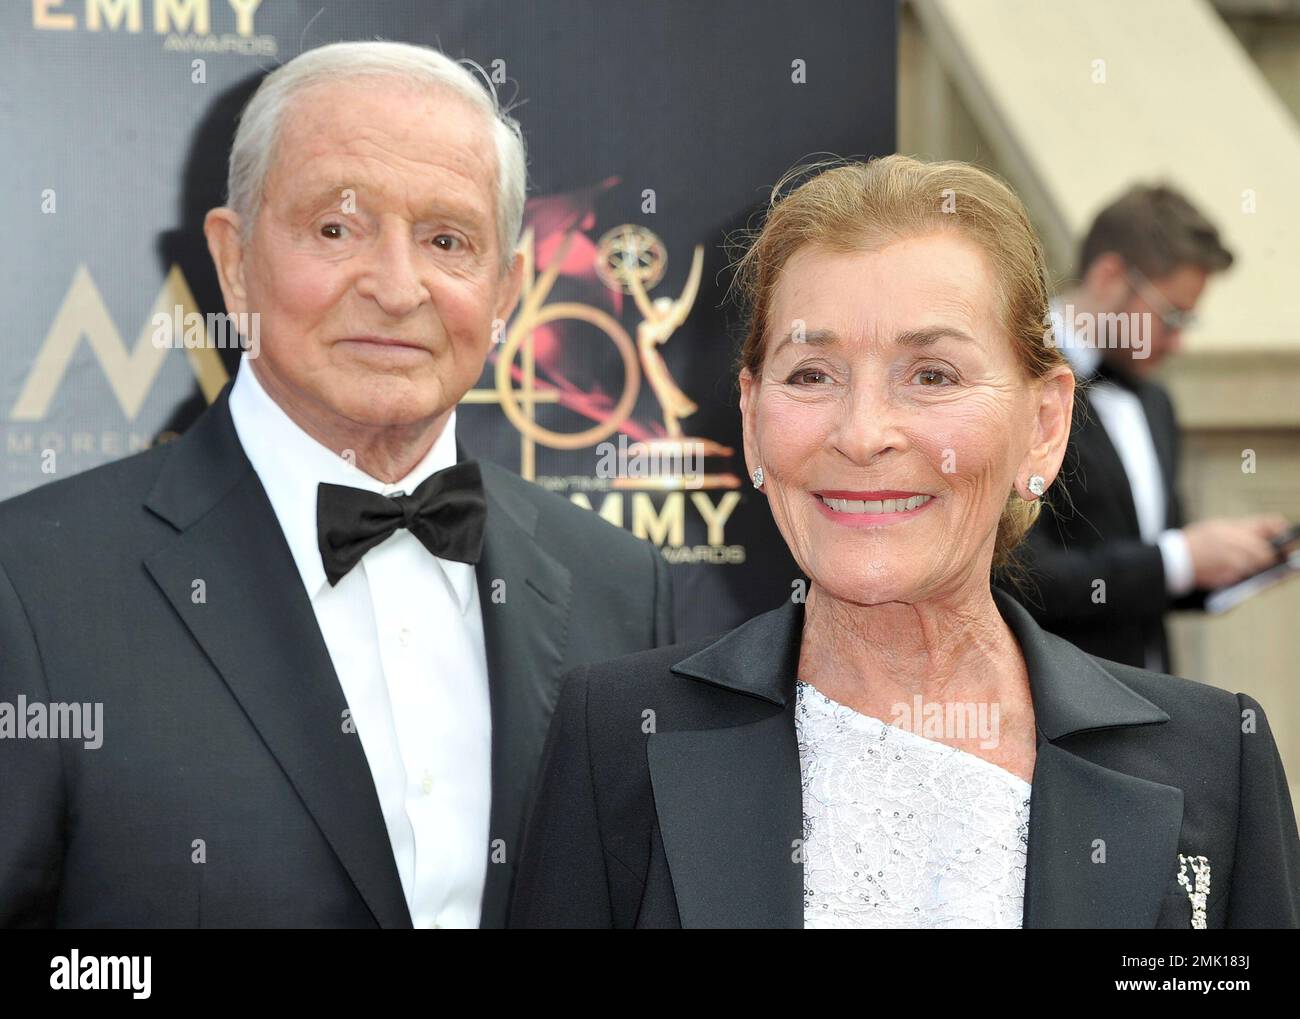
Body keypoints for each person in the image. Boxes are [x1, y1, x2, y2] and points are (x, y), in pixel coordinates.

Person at [508, 156, 1300, 929]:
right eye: (813, 373)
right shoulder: (616, 738)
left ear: (1045, 424)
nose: (862, 435)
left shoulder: (1213, 764)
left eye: (932, 375)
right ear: (751, 418)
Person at [0, 41, 673, 929]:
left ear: (507, 288)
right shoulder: (31, 587)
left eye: (446, 239)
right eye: (336, 229)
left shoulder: (622, 590)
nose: (397, 288)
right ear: (235, 261)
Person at [1020, 185, 1287, 671]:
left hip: (1152, 709)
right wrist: (1180, 558)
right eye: (1171, 317)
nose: (1178, 341)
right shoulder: (1019, 383)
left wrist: (1232, 563)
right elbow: (1022, 578)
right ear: (1110, 277)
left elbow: (1147, 577)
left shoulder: (1156, 403)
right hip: (1053, 717)